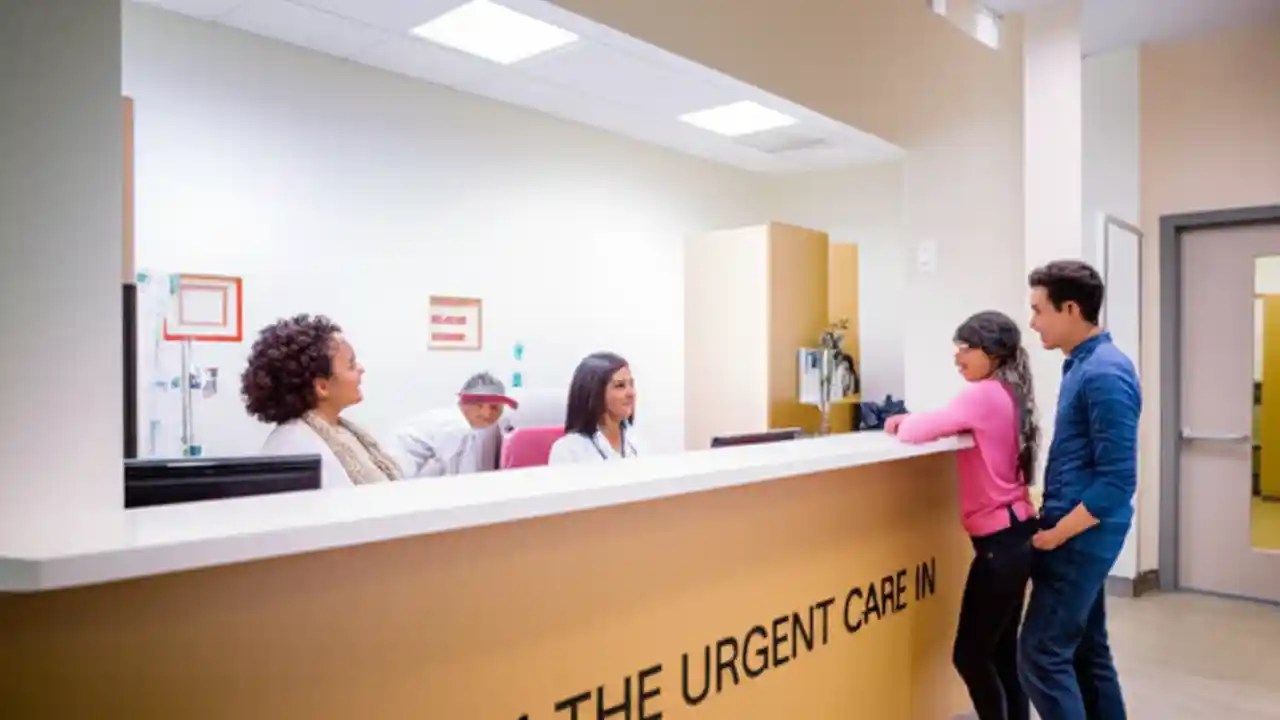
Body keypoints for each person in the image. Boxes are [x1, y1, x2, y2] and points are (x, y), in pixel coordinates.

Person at [886, 311, 1039, 720]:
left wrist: (903, 420)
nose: (957, 357)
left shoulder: (983, 395)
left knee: (970, 656)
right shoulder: (1009, 391)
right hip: (1018, 534)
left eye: (965, 348)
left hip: (1000, 546)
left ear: (991, 352)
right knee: (1002, 655)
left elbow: (915, 432)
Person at [1018, 260, 1140, 719]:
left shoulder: (1104, 374)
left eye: (1038, 310)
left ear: (1070, 309)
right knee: (1087, 651)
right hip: (1076, 530)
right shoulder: (1082, 365)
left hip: (1080, 536)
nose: (1033, 323)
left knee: (1041, 655)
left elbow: (1116, 480)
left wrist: (1056, 535)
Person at [241, 314, 403, 489]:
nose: (361, 369)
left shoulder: (343, 431)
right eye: (351, 365)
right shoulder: (295, 446)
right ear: (322, 387)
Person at [396, 372, 518, 477]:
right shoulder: (456, 429)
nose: (487, 413)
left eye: (494, 407)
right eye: (478, 405)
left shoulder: (491, 427)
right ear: (463, 403)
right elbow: (464, 483)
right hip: (398, 472)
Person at [549, 352, 643, 464]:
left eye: (631, 385)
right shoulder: (568, 451)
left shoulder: (637, 444)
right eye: (620, 386)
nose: (631, 393)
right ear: (595, 392)